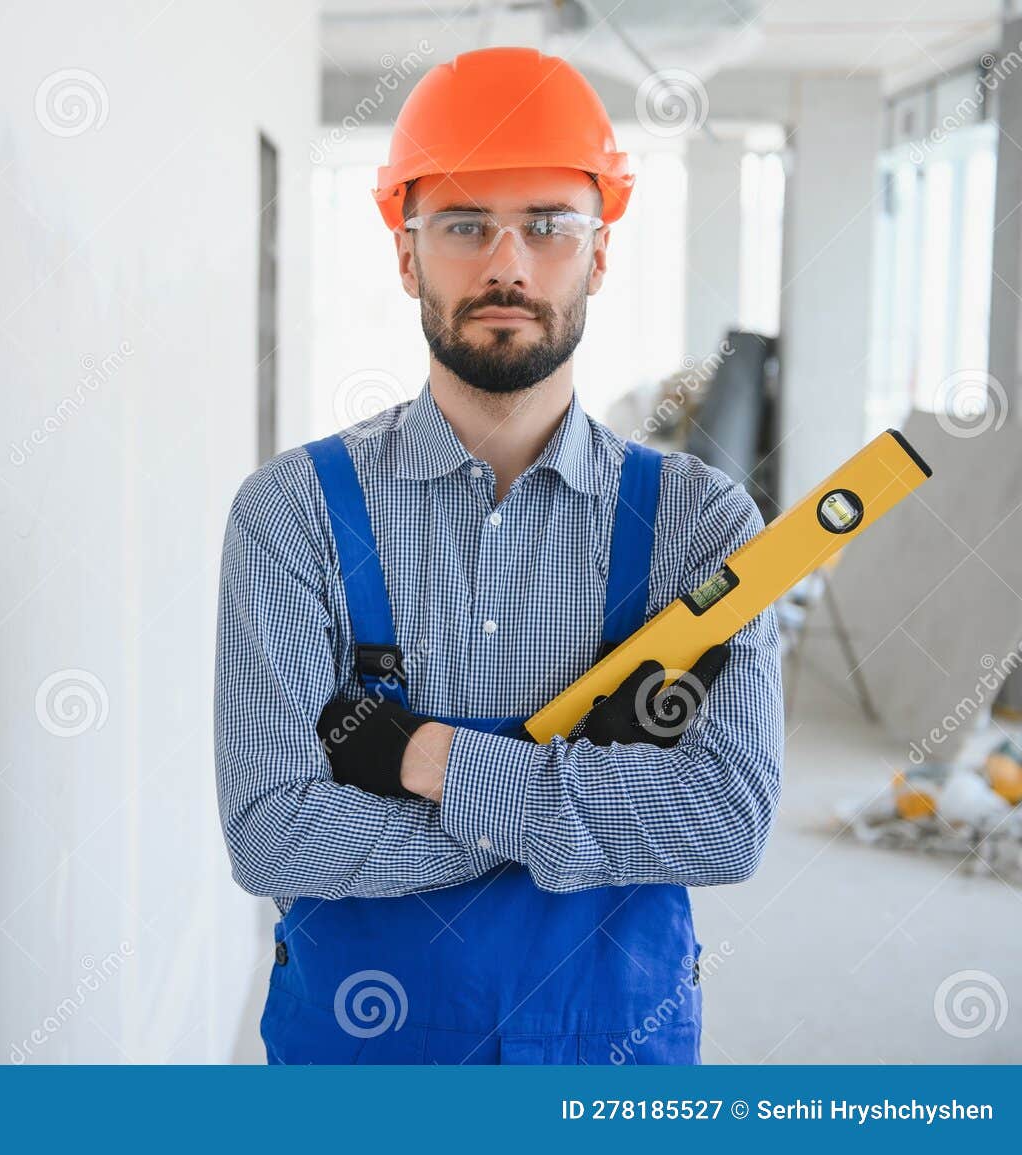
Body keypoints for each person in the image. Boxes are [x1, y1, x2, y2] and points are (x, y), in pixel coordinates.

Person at [212, 46, 783, 1065]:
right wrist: (580, 821)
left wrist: (425, 758)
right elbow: (272, 833)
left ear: (599, 256)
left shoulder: (701, 527)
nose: (507, 265)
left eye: (549, 225)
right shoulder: (293, 515)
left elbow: (725, 822)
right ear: (406, 257)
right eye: (465, 225)